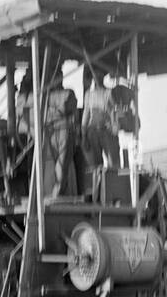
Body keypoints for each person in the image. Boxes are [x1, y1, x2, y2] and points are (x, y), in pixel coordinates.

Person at [41, 67, 78, 199]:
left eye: (57, 76)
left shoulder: (69, 93)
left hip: (64, 131)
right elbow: (40, 113)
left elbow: (65, 109)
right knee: (50, 166)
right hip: (49, 132)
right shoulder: (43, 95)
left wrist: (49, 112)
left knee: (62, 167)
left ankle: (58, 194)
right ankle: (54, 194)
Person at [81, 70, 121, 172]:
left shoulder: (108, 93)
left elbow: (113, 112)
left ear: (103, 78)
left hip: (106, 130)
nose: (97, 79)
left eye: (99, 76)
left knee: (113, 163)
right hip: (93, 131)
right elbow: (86, 114)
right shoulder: (88, 94)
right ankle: (98, 186)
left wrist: (115, 127)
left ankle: (114, 184)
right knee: (95, 165)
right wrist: (84, 135)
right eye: (95, 77)